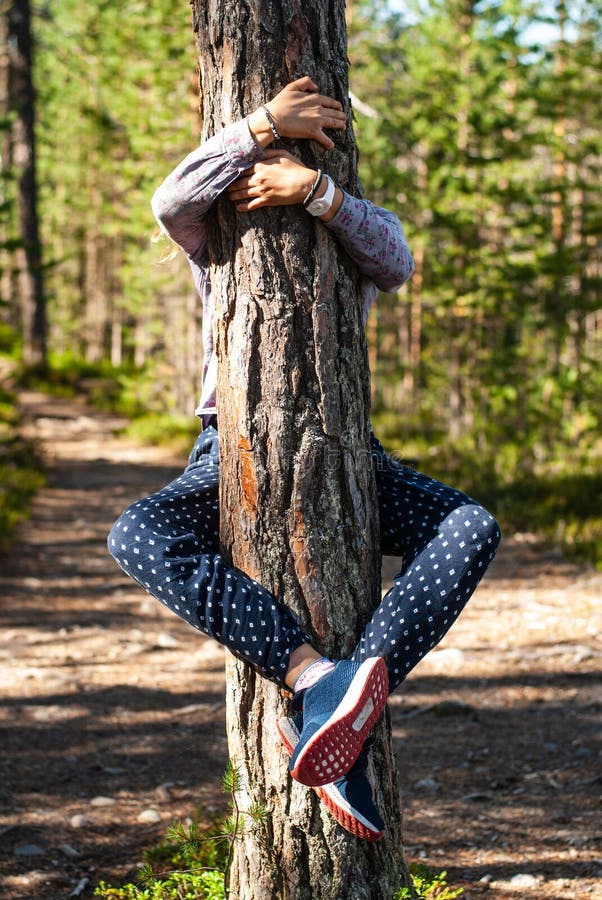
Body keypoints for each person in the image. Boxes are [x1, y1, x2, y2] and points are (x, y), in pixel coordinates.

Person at [108, 76, 501, 842]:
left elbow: (396, 260)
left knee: (470, 526)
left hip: (350, 450)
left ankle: (348, 691)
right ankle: (317, 680)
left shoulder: (353, 225)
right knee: (136, 535)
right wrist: (261, 126)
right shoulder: (216, 230)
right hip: (228, 443)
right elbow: (169, 200)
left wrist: (317, 192)